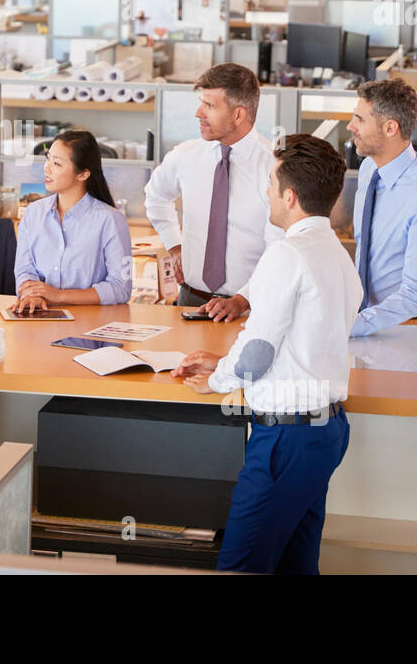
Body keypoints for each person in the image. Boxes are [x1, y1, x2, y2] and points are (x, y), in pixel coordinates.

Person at [174, 134, 362, 574]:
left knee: (241, 567)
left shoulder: (288, 253)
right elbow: (295, 341)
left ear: (290, 197)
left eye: (272, 184)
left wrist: (217, 382)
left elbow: (257, 351)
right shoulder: (337, 254)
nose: (266, 193)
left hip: (286, 439)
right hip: (325, 431)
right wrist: (223, 364)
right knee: (297, 566)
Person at [143, 63, 280, 320]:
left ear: (239, 115)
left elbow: (281, 248)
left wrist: (245, 299)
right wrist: (174, 245)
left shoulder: (274, 167)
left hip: (251, 309)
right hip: (191, 301)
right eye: (201, 103)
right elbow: (156, 196)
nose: (198, 113)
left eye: (209, 105)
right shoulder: (186, 156)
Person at [346, 78, 417, 336]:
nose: (351, 126)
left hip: (406, 326)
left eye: (360, 119)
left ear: (390, 128)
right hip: (364, 318)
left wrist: (350, 327)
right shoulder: (369, 168)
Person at [12, 129, 132, 312]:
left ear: (83, 174)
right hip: (39, 319)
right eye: (48, 158)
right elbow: (24, 270)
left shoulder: (110, 220)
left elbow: (120, 288)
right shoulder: (33, 213)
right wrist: (32, 294)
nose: (47, 167)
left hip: (90, 324)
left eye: (57, 164)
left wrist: (59, 296)